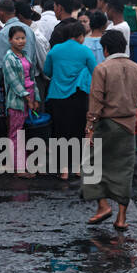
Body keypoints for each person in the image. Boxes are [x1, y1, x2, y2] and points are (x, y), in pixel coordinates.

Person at [84, 29, 137, 230]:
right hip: (128, 125)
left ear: (106, 49)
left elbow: (96, 101)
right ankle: (121, 218)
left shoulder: (102, 69)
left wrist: (90, 127)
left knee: (91, 164)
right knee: (124, 170)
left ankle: (102, 206)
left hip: (107, 124)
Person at [42, 18, 97, 180]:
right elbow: (95, 71)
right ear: (80, 35)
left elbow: (47, 71)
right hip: (79, 96)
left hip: (57, 96)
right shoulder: (85, 51)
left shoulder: (55, 50)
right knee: (78, 129)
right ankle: (79, 167)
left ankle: (64, 169)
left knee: (60, 131)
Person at [1, 26, 38, 177]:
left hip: (29, 96)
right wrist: (27, 98)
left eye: (23, 38)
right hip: (17, 99)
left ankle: (25, 164)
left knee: (26, 132)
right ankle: (18, 168)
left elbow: (32, 78)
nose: (21, 41)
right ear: (10, 40)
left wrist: (36, 98)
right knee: (16, 133)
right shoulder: (9, 58)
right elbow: (14, 82)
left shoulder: (25, 55)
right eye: (17, 38)